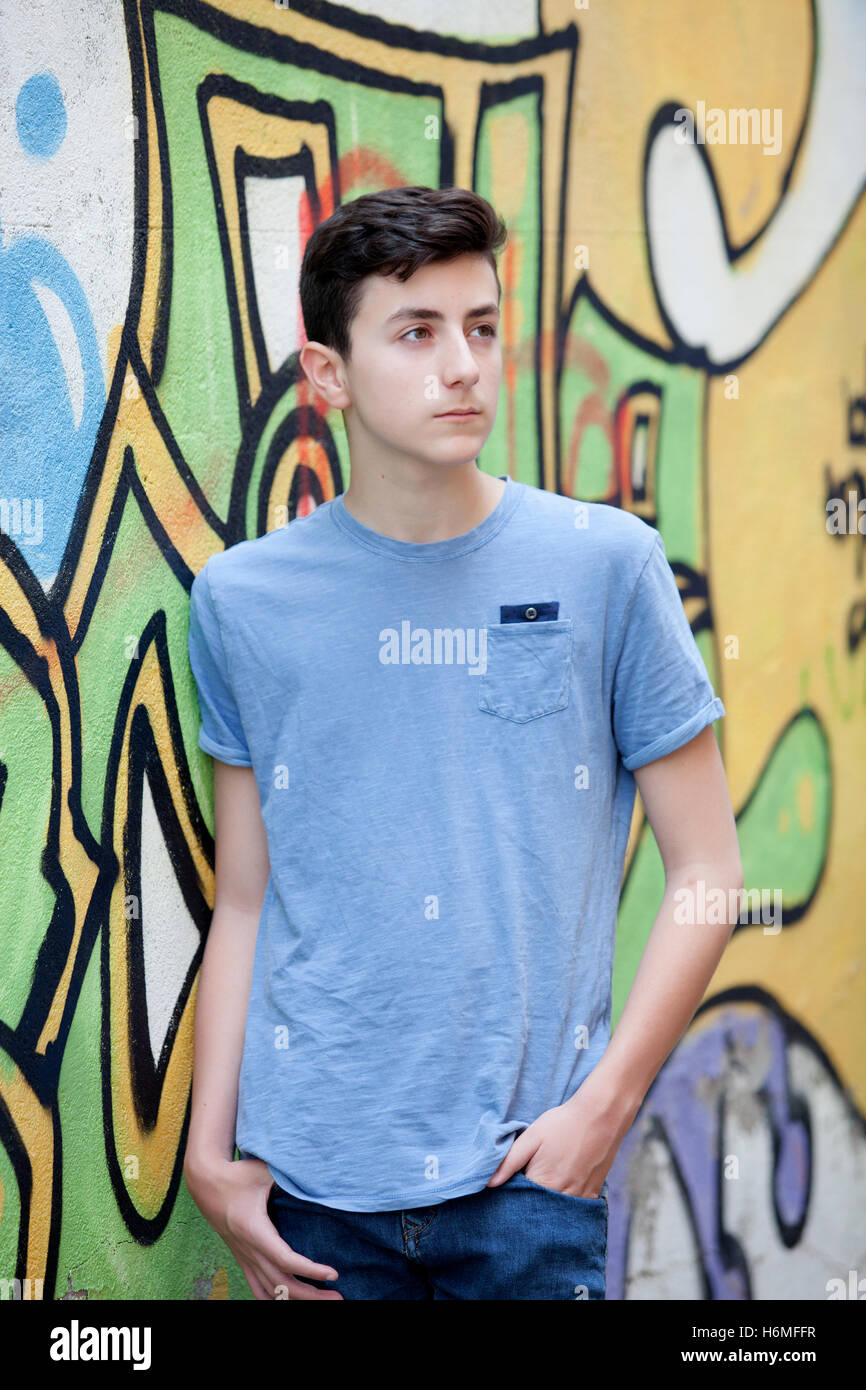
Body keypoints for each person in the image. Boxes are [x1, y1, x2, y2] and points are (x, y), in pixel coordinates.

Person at [183, 185, 741, 1301]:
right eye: (418, 331)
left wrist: (603, 1108)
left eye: (481, 328)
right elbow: (244, 896)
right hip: (314, 1197)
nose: (464, 365)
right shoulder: (243, 601)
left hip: (527, 1182)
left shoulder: (603, 567)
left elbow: (708, 871)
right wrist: (208, 1151)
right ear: (327, 375)